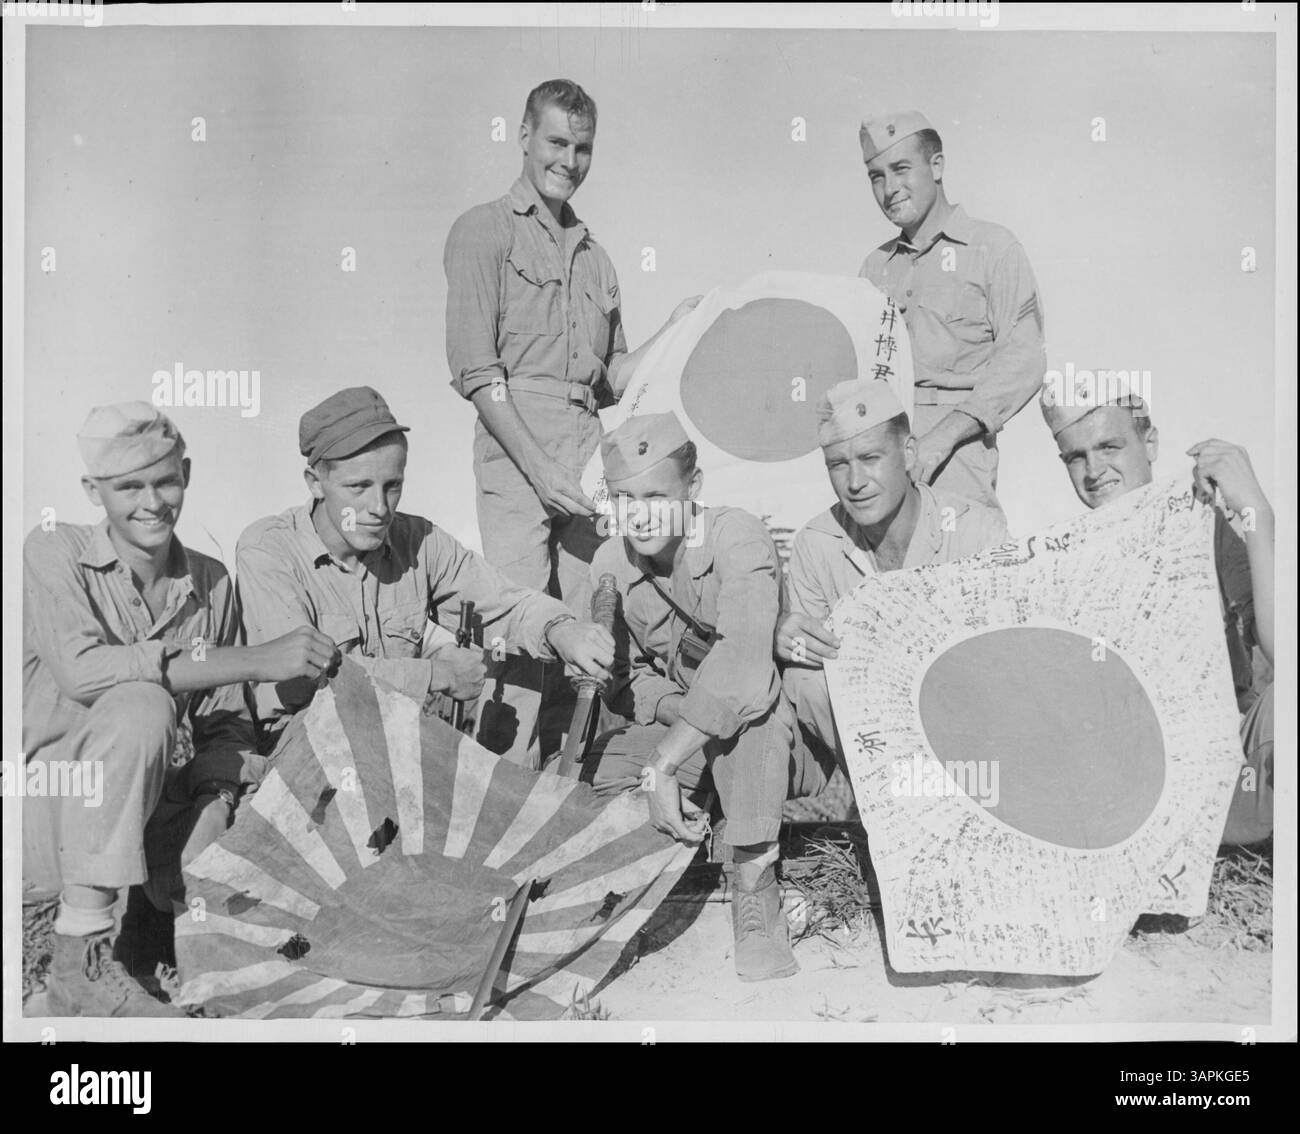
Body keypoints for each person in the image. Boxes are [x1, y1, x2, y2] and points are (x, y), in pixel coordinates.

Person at [22, 402, 332, 1016]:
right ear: (92, 490)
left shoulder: (211, 581)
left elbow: (224, 721)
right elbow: (86, 672)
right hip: (52, 817)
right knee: (141, 705)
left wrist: (215, 801)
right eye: (128, 486)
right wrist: (253, 659)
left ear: (186, 473)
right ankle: (76, 959)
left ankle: (144, 956)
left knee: (266, 786)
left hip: (149, 810)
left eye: (165, 480)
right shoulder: (54, 549)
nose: (152, 501)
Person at [443, 77, 698, 765]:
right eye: (557, 142)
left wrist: (675, 329)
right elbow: (476, 372)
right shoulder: (482, 230)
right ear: (522, 136)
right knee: (522, 629)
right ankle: (499, 811)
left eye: (583, 148)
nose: (569, 160)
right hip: (516, 446)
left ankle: (579, 796)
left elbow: (614, 379)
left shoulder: (597, 256)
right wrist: (540, 469)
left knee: (599, 622)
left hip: (588, 449)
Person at [584, 412, 828, 983]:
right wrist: (676, 723)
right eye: (622, 498)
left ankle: (754, 883)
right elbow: (629, 678)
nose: (637, 514)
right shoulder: (609, 563)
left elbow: (744, 666)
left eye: (654, 496)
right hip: (693, 735)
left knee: (749, 720)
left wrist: (666, 763)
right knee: (604, 764)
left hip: (779, 741)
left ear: (692, 489)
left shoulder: (734, 535)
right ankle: (681, 844)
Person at [236, 386, 614, 748]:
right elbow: (310, 682)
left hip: (400, 744)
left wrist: (561, 630)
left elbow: (502, 602)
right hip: (307, 745)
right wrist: (435, 675)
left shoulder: (419, 540)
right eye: (359, 487)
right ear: (315, 483)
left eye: (392, 486)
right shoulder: (269, 550)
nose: (380, 507)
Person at [1041, 376, 1274, 845]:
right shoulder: (1061, 564)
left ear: (1150, 442)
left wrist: (1256, 514)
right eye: (1076, 457)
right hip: (1136, 793)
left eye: (1109, 446)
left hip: (1231, 774)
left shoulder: (1207, 527)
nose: (1093, 470)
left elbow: (1285, 652)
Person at [778, 378, 1008, 773]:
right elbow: (815, 666)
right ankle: (887, 803)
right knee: (804, 679)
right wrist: (784, 637)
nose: (854, 482)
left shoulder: (976, 532)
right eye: (838, 464)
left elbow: (1005, 664)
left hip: (971, 725)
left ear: (908, 452)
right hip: (877, 726)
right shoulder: (816, 544)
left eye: (870, 458)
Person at [858, 110, 1046, 519]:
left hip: (957, 458)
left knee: (963, 571)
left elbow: (1025, 358)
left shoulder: (992, 248)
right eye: (876, 176)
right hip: (883, 455)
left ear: (937, 165)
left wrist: (945, 435)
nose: (890, 188)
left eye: (901, 169)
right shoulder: (875, 268)